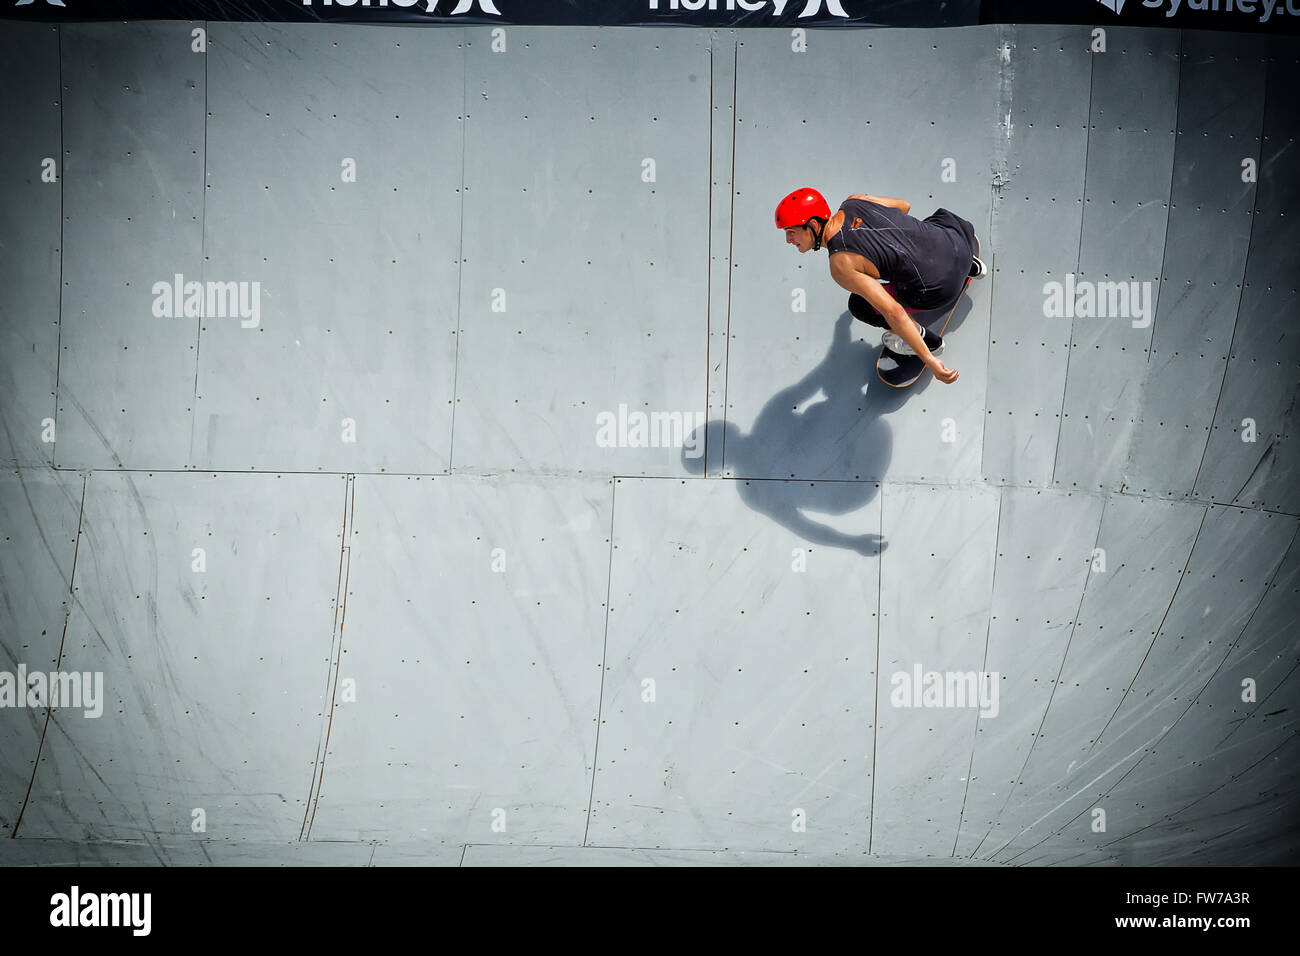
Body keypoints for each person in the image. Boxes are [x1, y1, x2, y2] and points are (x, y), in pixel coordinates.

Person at [775, 188, 987, 385]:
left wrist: (929, 360)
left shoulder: (840, 264)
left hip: (940, 289)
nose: (787, 239)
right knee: (914, 230)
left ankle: (929, 341)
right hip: (958, 241)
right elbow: (904, 206)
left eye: (791, 231)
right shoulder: (854, 201)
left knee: (860, 304)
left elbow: (893, 311)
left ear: (812, 225)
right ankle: (971, 266)